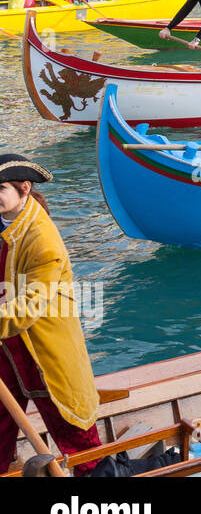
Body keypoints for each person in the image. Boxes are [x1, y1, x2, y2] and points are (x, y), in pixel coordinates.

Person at [0, 155, 106, 475]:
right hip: (7, 345)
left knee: (73, 429)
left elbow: (31, 305)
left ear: (24, 189)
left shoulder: (43, 239)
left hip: (44, 348)